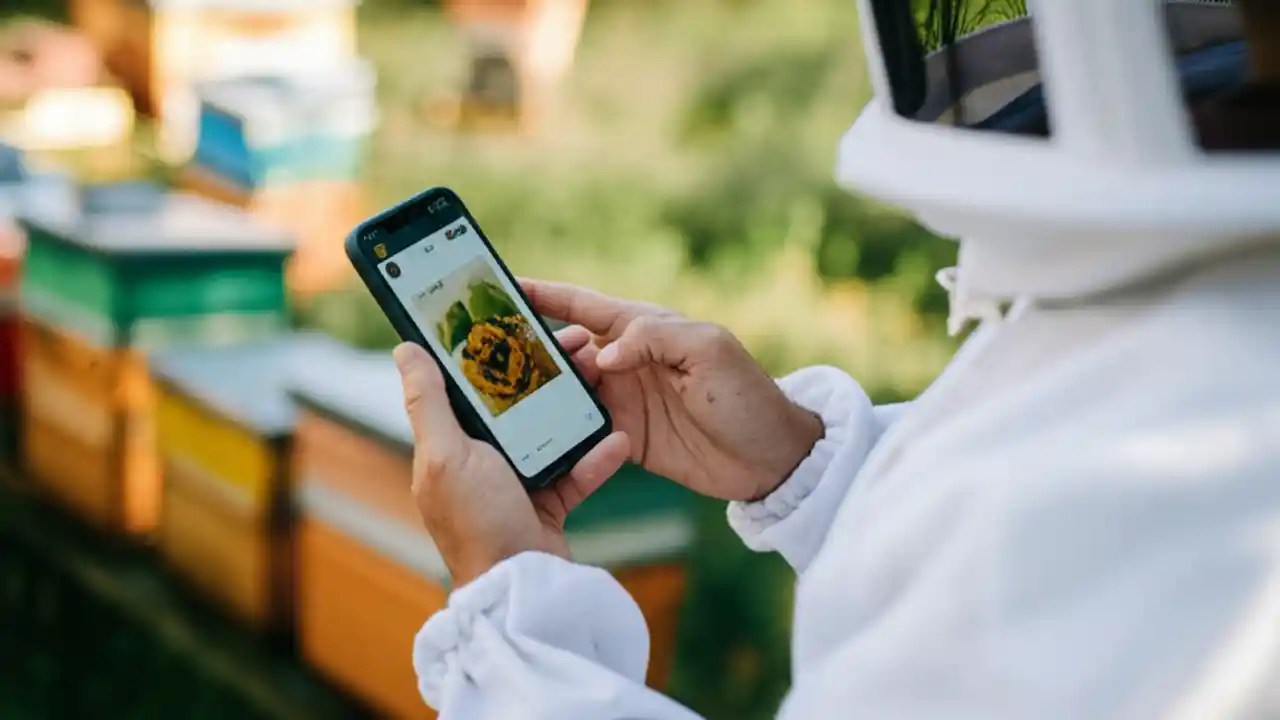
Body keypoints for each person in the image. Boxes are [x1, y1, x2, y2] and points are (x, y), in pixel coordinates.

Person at [394, 1, 1280, 717]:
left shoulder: (1211, 456)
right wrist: (800, 463)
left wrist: (509, 605)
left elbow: (1039, 546)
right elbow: (1016, 562)